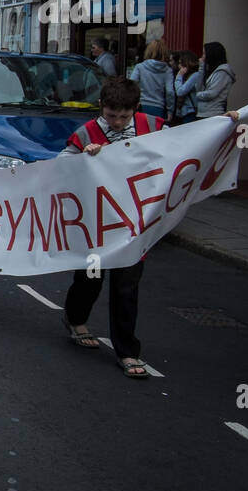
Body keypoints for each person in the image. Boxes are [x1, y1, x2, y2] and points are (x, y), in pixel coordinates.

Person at [58, 77, 238, 379]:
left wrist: (223, 123)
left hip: (134, 224)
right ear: (101, 107)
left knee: (126, 286)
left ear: (135, 110)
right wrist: (83, 159)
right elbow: (59, 167)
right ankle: (75, 318)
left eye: (123, 117)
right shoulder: (85, 133)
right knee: (90, 279)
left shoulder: (154, 126)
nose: (116, 122)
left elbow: (190, 140)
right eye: (110, 115)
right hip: (98, 223)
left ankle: (127, 352)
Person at [130, 39, 175, 120]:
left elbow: (131, 84)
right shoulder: (168, 70)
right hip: (158, 107)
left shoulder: (140, 67)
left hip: (141, 106)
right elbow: (170, 91)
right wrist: (170, 111)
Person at [195, 41, 236, 118]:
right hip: (202, 113)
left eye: (204, 53)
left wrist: (197, 95)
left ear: (211, 54)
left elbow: (212, 93)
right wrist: (201, 68)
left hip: (212, 114)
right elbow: (198, 88)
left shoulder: (223, 72)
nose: (202, 56)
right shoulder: (211, 71)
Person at [173, 50, 201, 123]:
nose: (179, 66)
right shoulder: (186, 76)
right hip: (183, 112)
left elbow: (180, 91)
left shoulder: (195, 75)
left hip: (190, 112)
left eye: (180, 63)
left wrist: (179, 76)